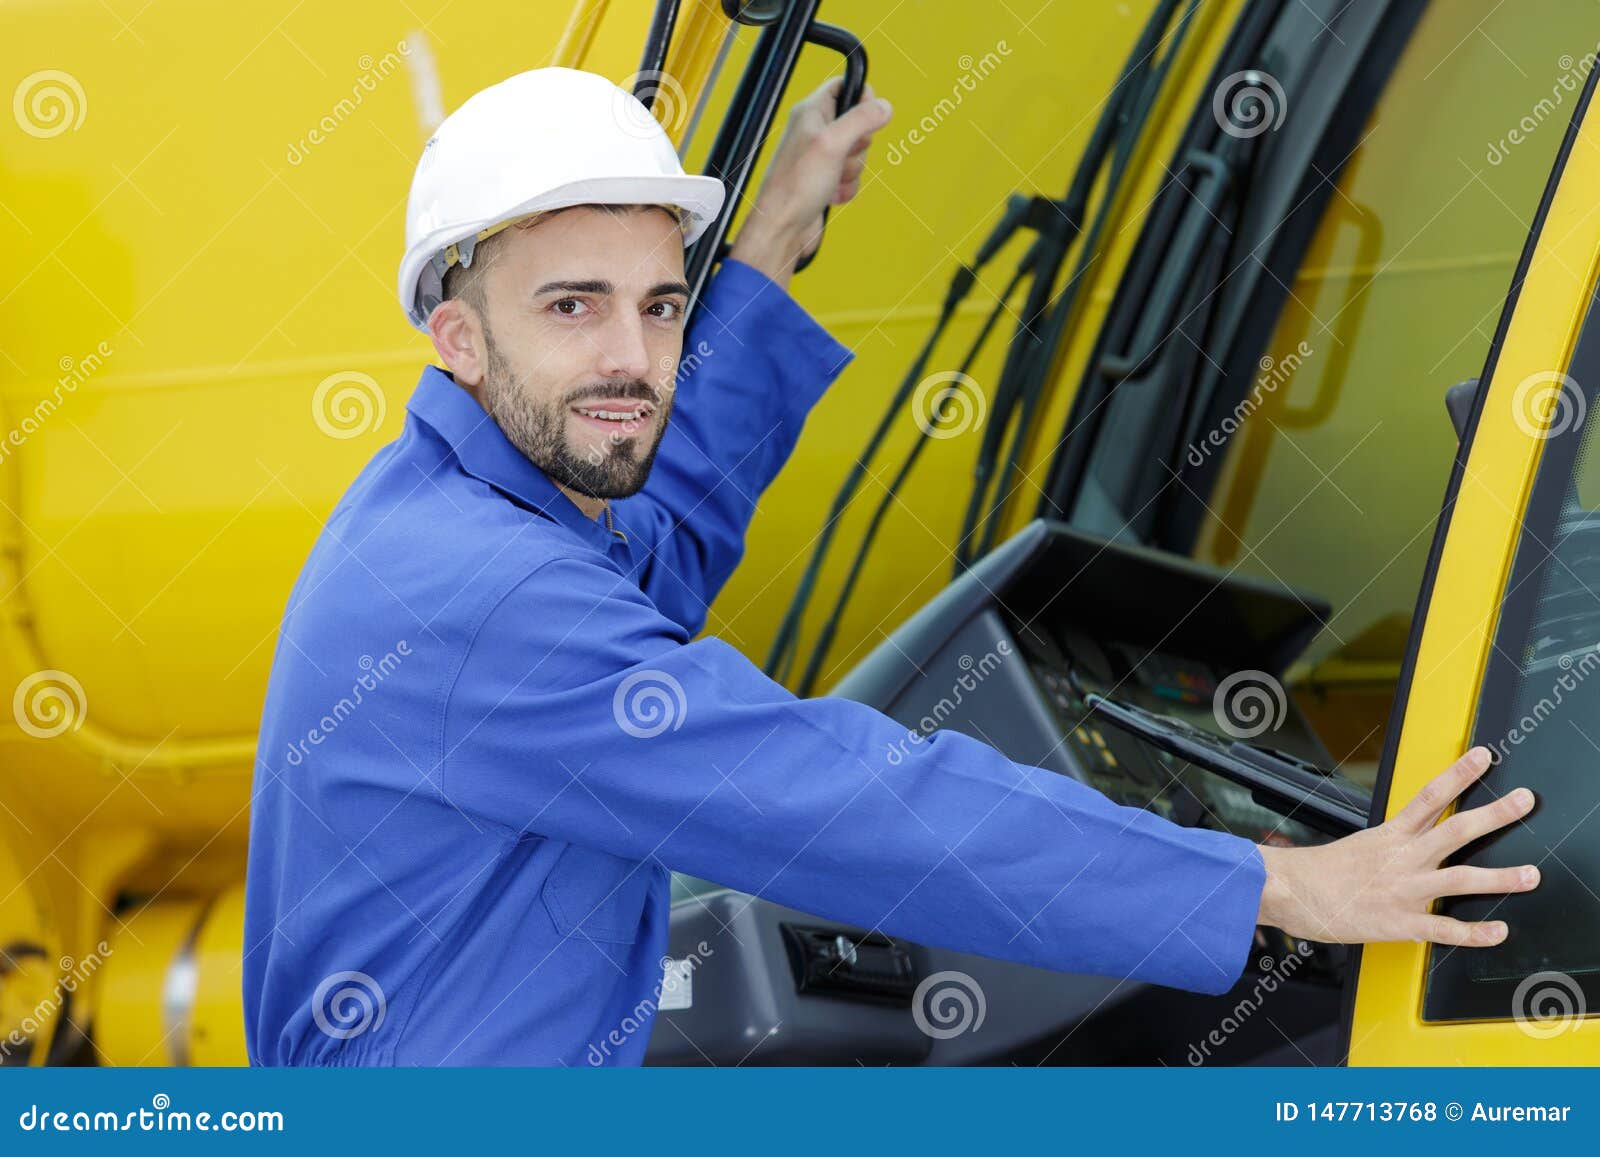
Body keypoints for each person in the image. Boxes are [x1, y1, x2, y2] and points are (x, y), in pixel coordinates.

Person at [242, 67, 1539, 1066]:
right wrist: (1277, 880)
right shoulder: (482, 594)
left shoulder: (475, 498)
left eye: (661, 303)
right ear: (456, 336)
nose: (634, 357)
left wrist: (771, 245)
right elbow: (841, 800)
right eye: (571, 306)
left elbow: (659, 528)